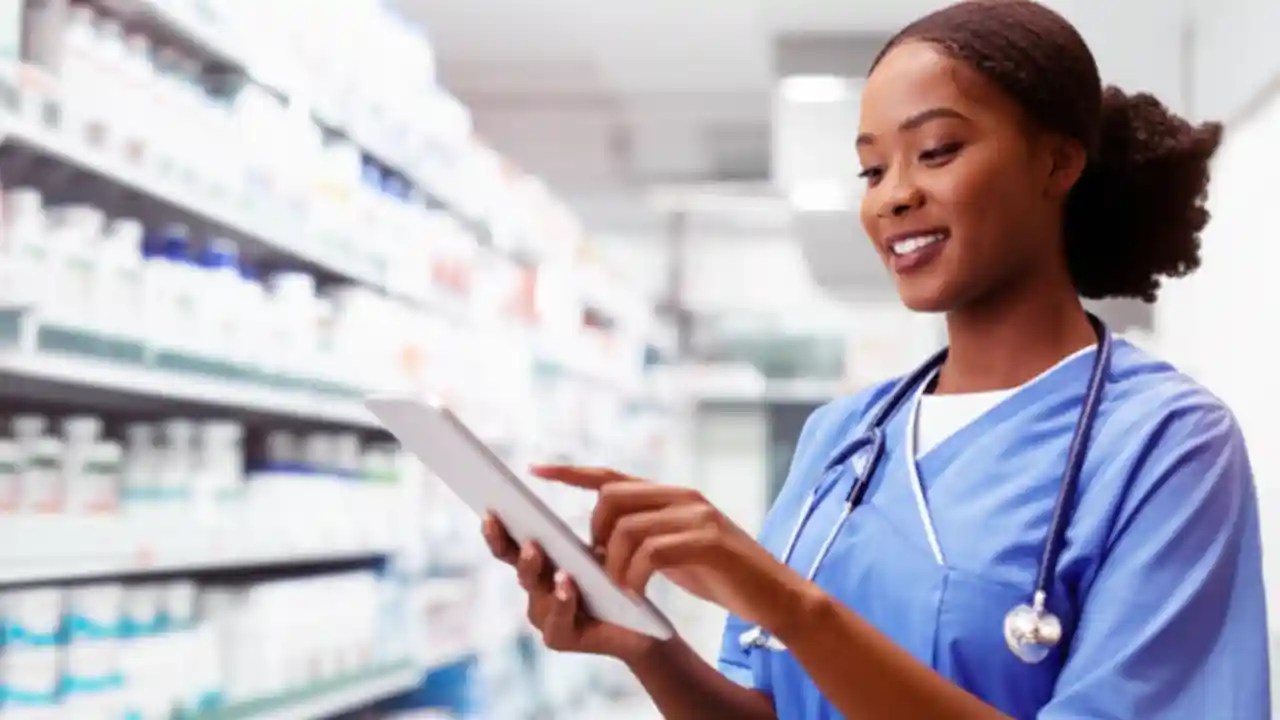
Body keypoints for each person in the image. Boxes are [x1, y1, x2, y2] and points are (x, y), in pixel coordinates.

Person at [481, 1, 1271, 717]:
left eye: (936, 150)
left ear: (1056, 165)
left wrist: (792, 605)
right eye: (872, 168)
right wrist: (644, 643)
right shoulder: (843, 438)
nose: (892, 196)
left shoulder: (1168, 444)